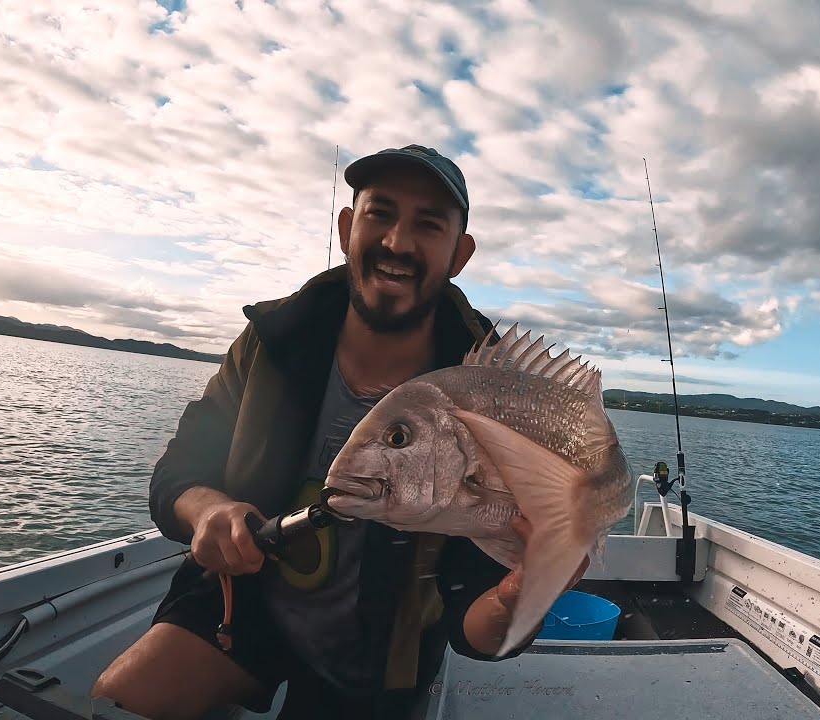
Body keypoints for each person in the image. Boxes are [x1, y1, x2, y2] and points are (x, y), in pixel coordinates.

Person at [92, 144, 582, 719]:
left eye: (429, 224)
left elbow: (473, 628)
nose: (399, 242)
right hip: (237, 612)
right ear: (348, 226)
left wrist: (521, 597)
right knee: (120, 701)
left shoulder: (493, 399)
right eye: (380, 213)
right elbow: (178, 473)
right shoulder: (271, 344)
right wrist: (208, 511)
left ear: (460, 254)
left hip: (377, 664)